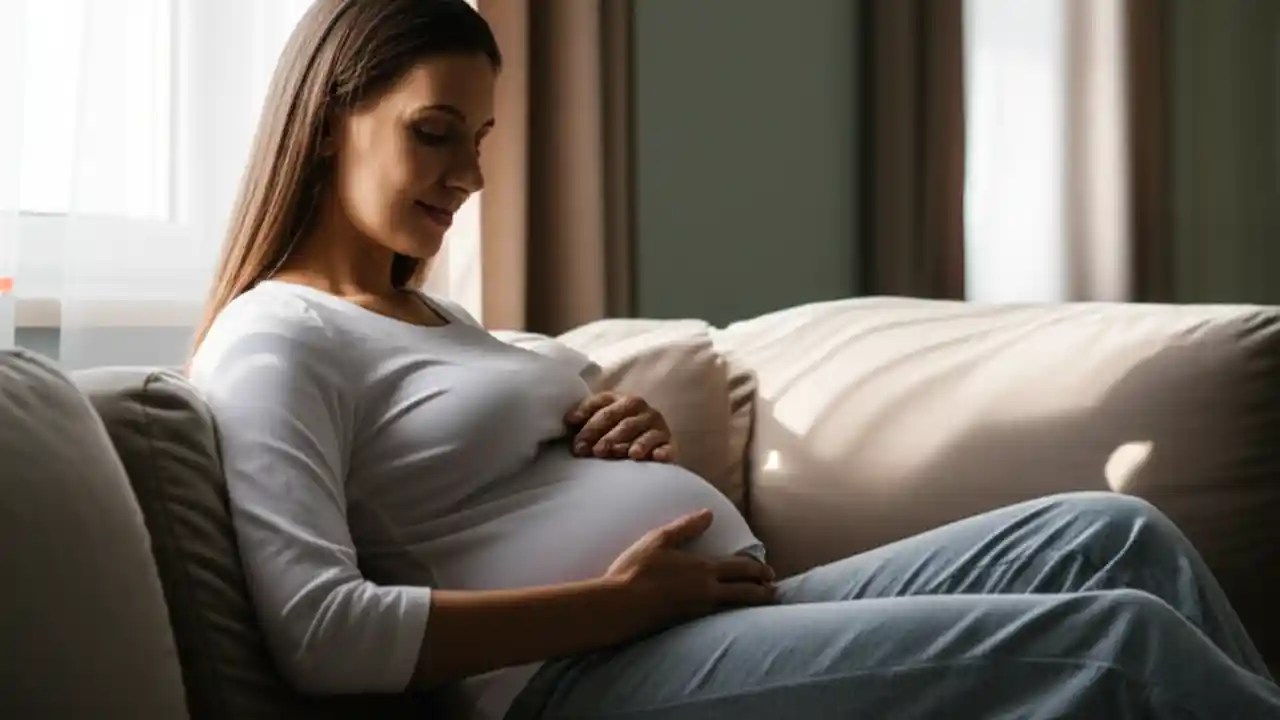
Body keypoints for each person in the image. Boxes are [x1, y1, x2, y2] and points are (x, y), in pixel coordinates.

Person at [188, 1, 1280, 718]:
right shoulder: (274, 338)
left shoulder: (437, 319)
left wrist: (617, 429)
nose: (468, 177)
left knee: (1112, 533)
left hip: (707, 616)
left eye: (477, 142)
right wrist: (615, 602)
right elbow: (322, 634)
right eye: (434, 132)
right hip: (572, 681)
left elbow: (500, 474)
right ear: (327, 121)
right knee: (1116, 646)